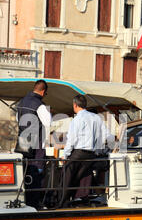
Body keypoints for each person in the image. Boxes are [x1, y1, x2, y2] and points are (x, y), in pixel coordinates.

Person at [58, 95, 114, 208]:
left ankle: (61, 203)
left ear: (75, 105)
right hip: (91, 155)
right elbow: (108, 136)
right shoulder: (96, 117)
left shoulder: (77, 119)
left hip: (78, 152)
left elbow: (72, 139)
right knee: (80, 175)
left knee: (66, 175)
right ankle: (77, 199)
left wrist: (65, 155)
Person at [15, 79, 52, 208]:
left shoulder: (21, 102)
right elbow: (48, 122)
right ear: (43, 92)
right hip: (36, 145)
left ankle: (24, 201)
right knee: (37, 174)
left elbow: (17, 120)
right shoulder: (39, 105)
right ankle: (35, 204)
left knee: (25, 173)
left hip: (22, 143)